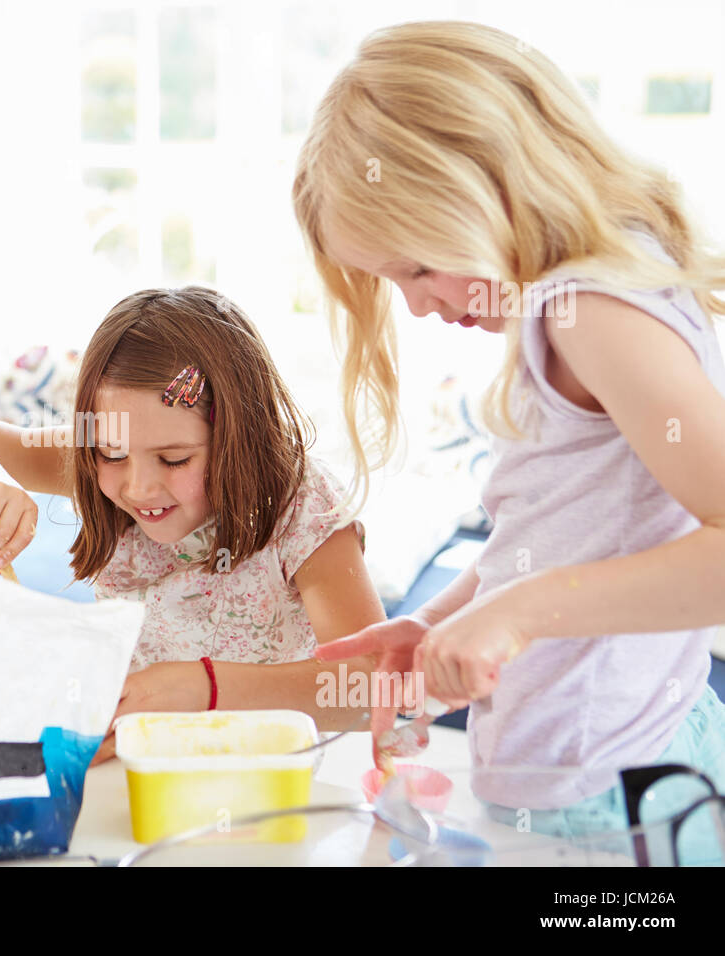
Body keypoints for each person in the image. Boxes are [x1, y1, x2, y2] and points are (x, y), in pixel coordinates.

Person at [297, 21, 725, 855]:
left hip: (611, 792)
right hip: (597, 773)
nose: (416, 304)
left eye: (416, 266)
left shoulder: (589, 311)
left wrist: (518, 616)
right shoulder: (583, 299)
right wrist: (440, 619)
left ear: (490, 182)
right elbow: (572, 530)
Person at [0, 286, 386, 760]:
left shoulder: (302, 506)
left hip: (266, 783)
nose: (139, 487)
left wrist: (203, 688)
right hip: (142, 766)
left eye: (174, 459)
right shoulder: (93, 457)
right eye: (112, 453)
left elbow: (371, 686)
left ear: (239, 439)